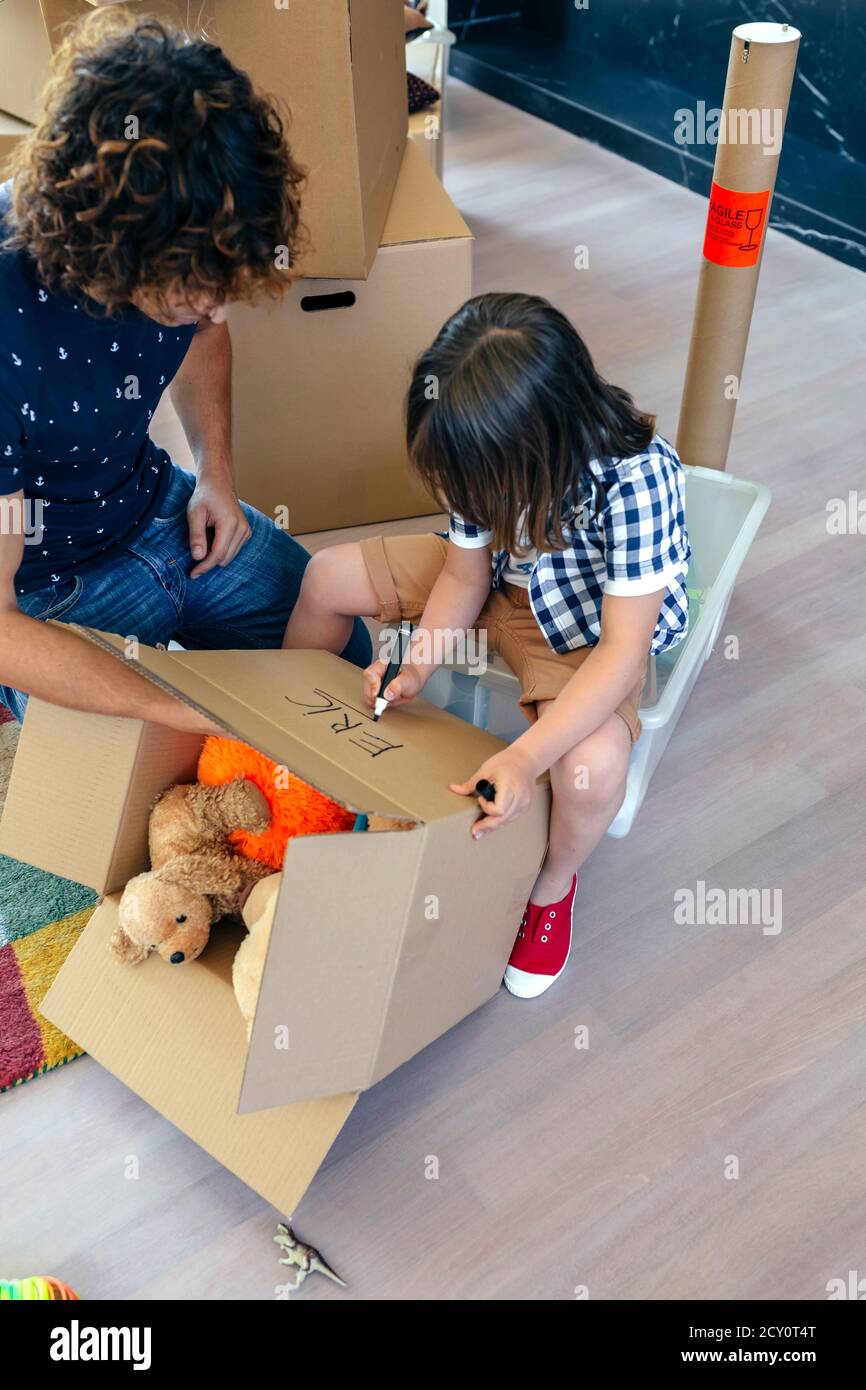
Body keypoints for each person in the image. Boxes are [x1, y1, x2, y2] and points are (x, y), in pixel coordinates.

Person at [283, 292, 691, 998]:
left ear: (538, 447)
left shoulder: (641, 480)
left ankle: (552, 890)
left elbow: (623, 653)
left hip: (585, 632)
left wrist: (525, 755)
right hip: (497, 586)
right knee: (324, 577)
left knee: (590, 769)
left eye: (474, 485)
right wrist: (414, 667)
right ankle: (296, 737)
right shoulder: (485, 445)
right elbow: (465, 574)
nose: (462, 495)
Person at [0, 8, 371, 733]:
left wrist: (216, 474)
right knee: (113, 783)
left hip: (156, 510)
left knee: (341, 654)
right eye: (191, 291)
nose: (218, 308)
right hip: (45, 590)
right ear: (105, 247)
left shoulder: (187, 274)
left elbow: (202, 335)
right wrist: (182, 708)